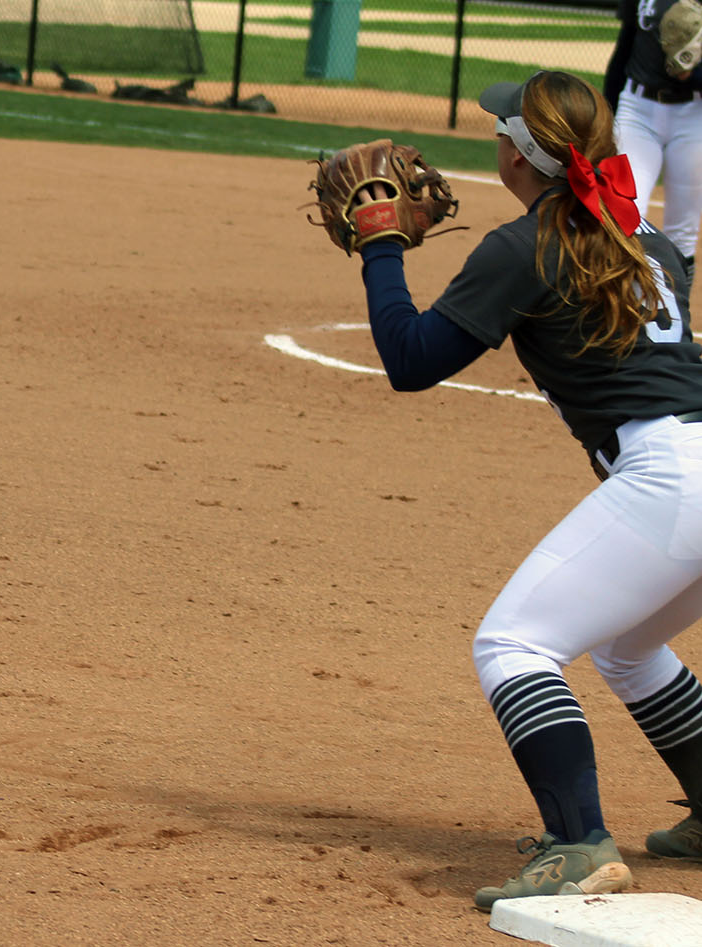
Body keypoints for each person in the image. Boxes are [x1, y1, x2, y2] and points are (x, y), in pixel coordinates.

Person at [337, 71, 702, 908]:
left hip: (670, 478)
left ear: (518, 155)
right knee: (627, 645)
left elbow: (412, 361)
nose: (492, 139)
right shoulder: (652, 240)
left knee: (514, 646)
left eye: (500, 130)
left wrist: (383, 250)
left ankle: (579, 841)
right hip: (694, 463)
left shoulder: (523, 246)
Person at [606, 0, 702, 283]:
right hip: (637, 111)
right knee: (624, 213)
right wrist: (605, 113)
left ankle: (676, 316)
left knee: (683, 231)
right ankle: (621, 306)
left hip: (692, 116)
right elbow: (625, 47)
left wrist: (692, 74)